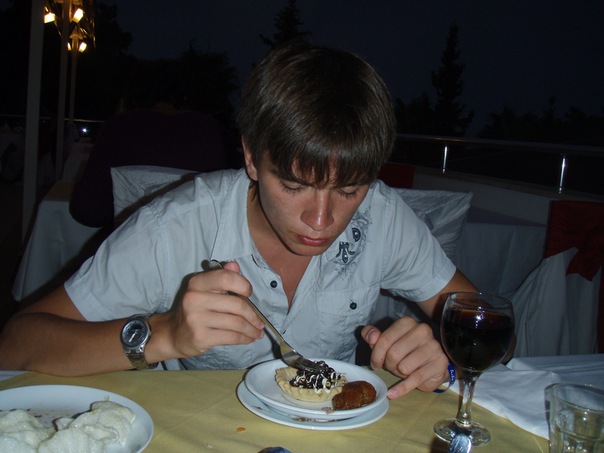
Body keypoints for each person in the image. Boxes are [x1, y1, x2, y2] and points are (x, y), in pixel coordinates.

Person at [0, 42, 477, 399]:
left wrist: (446, 360)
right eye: (292, 185)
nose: (320, 220)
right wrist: (164, 334)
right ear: (251, 157)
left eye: (349, 190)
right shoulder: (175, 226)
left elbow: (489, 322)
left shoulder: (383, 216)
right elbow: (15, 344)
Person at [69, 68, 240, 228]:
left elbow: (87, 211)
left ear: (132, 98)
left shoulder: (119, 128)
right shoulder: (214, 132)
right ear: (185, 98)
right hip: (202, 244)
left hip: (130, 245)